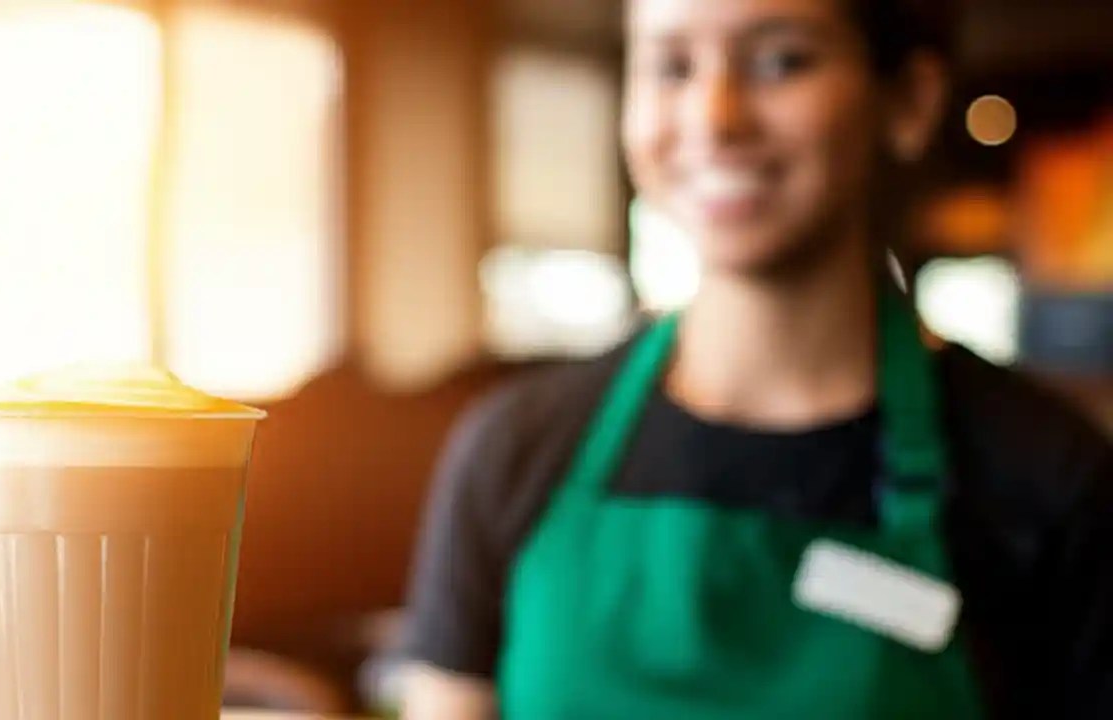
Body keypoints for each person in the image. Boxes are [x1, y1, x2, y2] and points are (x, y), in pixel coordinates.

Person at [401, 0, 1113, 718]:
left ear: (908, 101)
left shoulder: (1047, 479)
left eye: (781, 61)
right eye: (671, 66)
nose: (715, 118)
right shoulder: (512, 452)